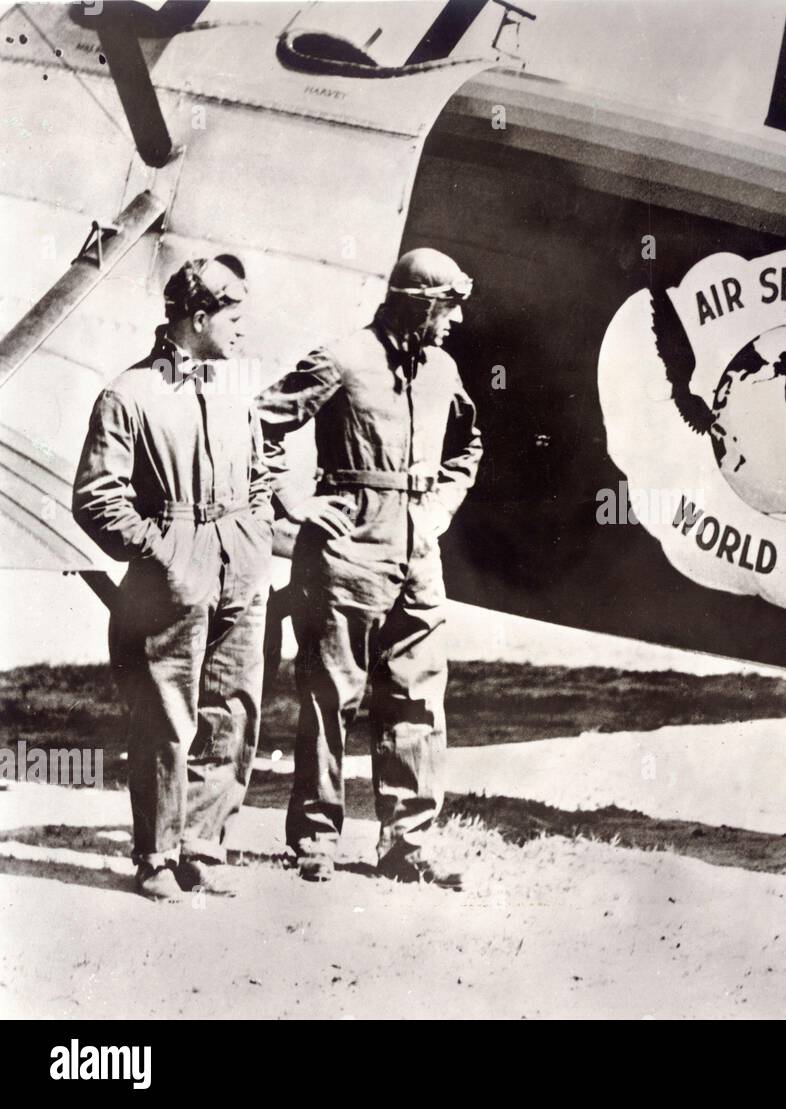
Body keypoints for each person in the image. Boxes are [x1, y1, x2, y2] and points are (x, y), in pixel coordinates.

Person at [258, 248, 482, 883]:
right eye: (447, 309)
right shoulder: (342, 359)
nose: (455, 322)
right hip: (344, 557)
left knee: (418, 698)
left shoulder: (442, 370)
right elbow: (258, 423)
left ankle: (407, 846)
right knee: (330, 699)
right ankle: (316, 840)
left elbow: (468, 446)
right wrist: (294, 500)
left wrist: (440, 507)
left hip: (418, 558)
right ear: (419, 305)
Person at [73, 254, 274, 901]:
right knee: (164, 715)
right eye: (234, 317)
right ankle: (157, 855)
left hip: (239, 560)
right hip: (172, 566)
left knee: (232, 708)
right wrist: (165, 557)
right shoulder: (129, 394)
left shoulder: (233, 390)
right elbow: (97, 499)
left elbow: (261, 477)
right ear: (199, 317)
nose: (243, 328)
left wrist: (256, 539)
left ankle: (202, 846)